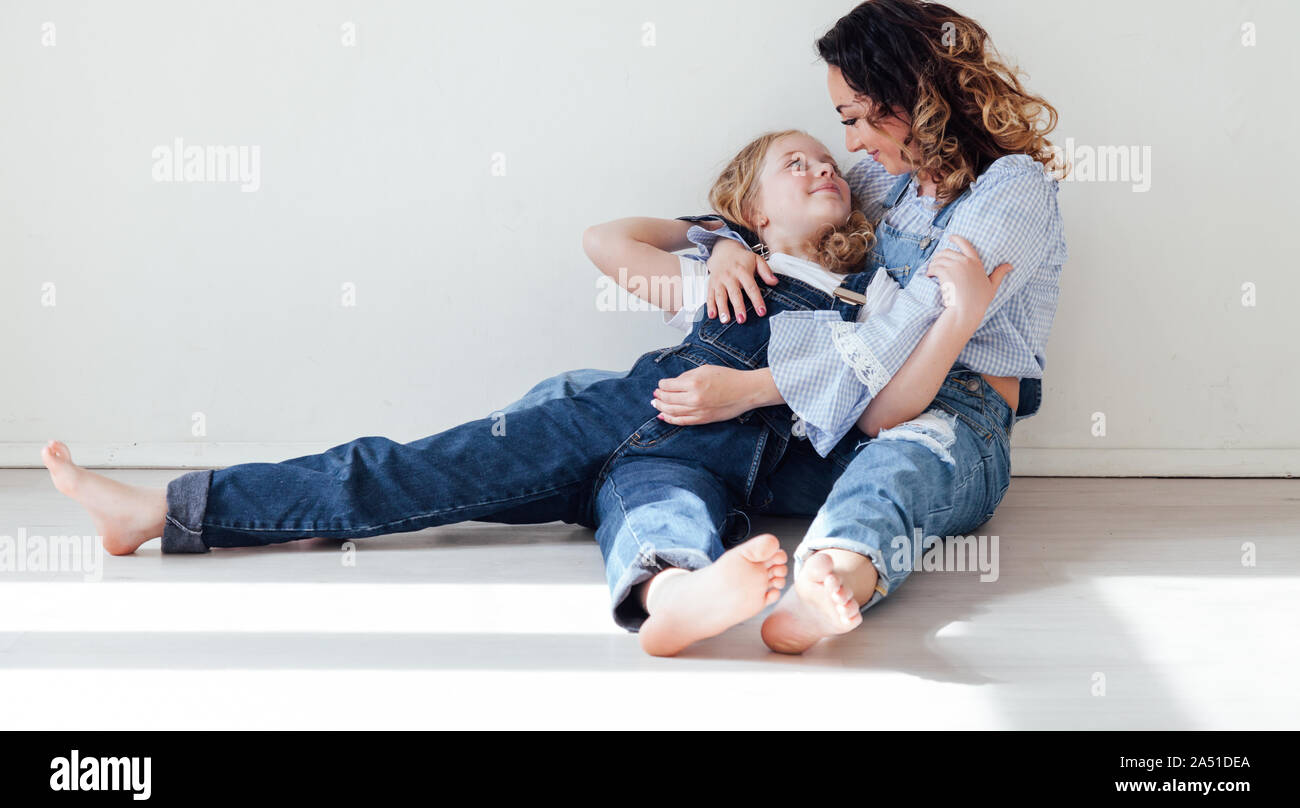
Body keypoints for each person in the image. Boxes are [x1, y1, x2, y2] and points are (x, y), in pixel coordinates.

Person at [41, 129, 1006, 657]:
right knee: (405, 470)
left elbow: (877, 391)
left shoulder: (861, 296)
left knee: (663, 513)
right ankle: (164, 511)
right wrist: (706, 240)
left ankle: (671, 601)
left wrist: (938, 322)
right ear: (753, 206)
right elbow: (605, 241)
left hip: (712, 455)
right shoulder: (721, 262)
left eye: (830, 160)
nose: (824, 167)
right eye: (796, 162)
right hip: (622, 409)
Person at [504, 0, 1069, 654]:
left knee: (899, 463)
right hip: (829, 409)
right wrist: (726, 246)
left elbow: (901, 365)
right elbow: (774, 228)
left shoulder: (1011, 188)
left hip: (944, 412)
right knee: (638, 432)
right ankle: (673, 582)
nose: (849, 144)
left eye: (858, 118)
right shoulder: (884, 180)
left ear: (912, 97)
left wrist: (753, 389)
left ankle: (833, 578)